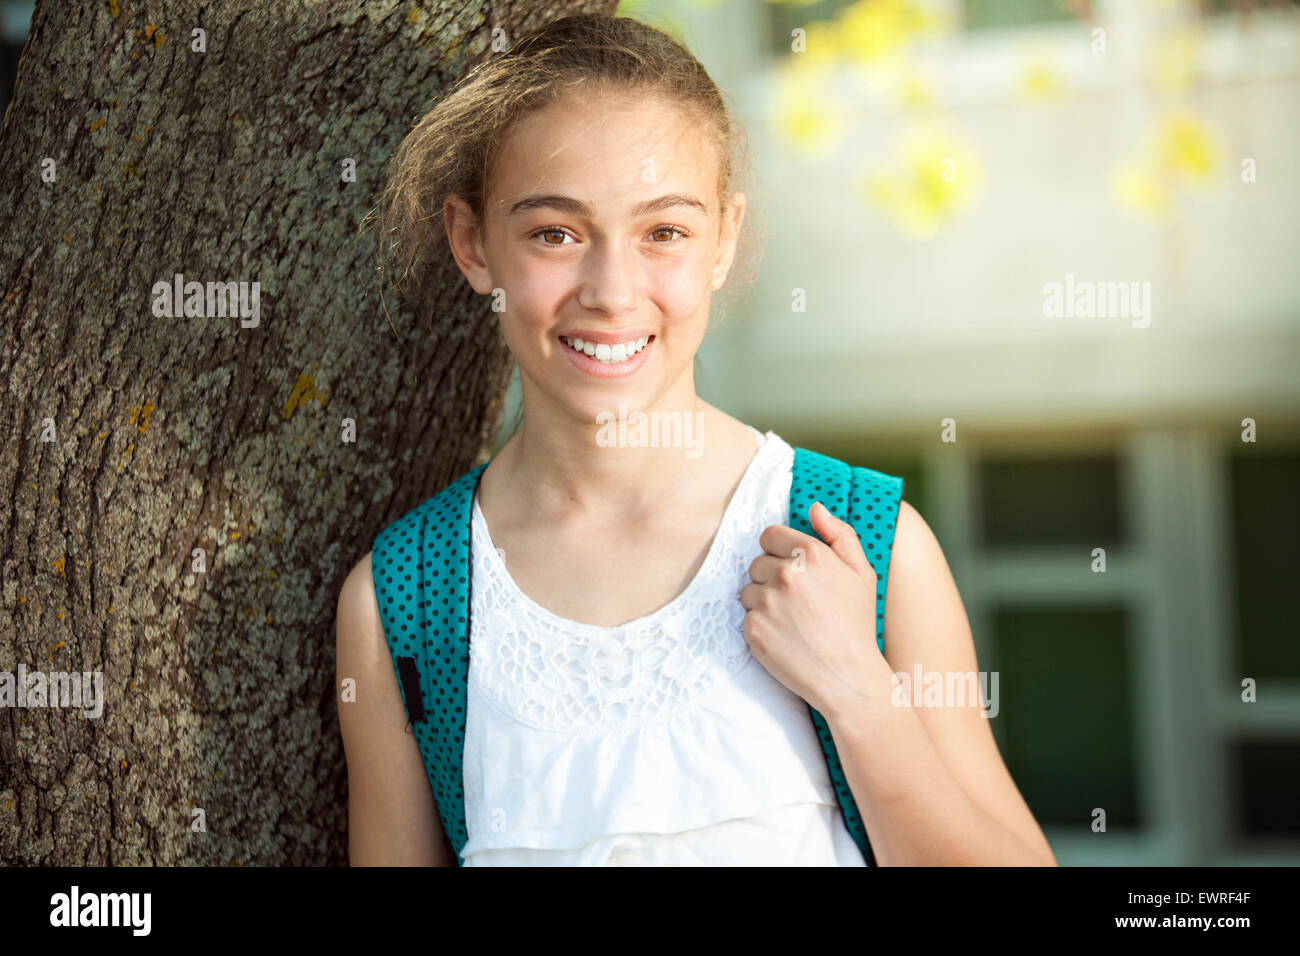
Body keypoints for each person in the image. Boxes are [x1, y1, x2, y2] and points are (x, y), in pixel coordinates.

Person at [336, 13, 1056, 867]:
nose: (611, 290)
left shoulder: (865, 547)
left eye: (664, 232)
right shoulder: (404, 605)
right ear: (472, 244)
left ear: (723, 240)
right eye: (554, 234)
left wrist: (859, 693)